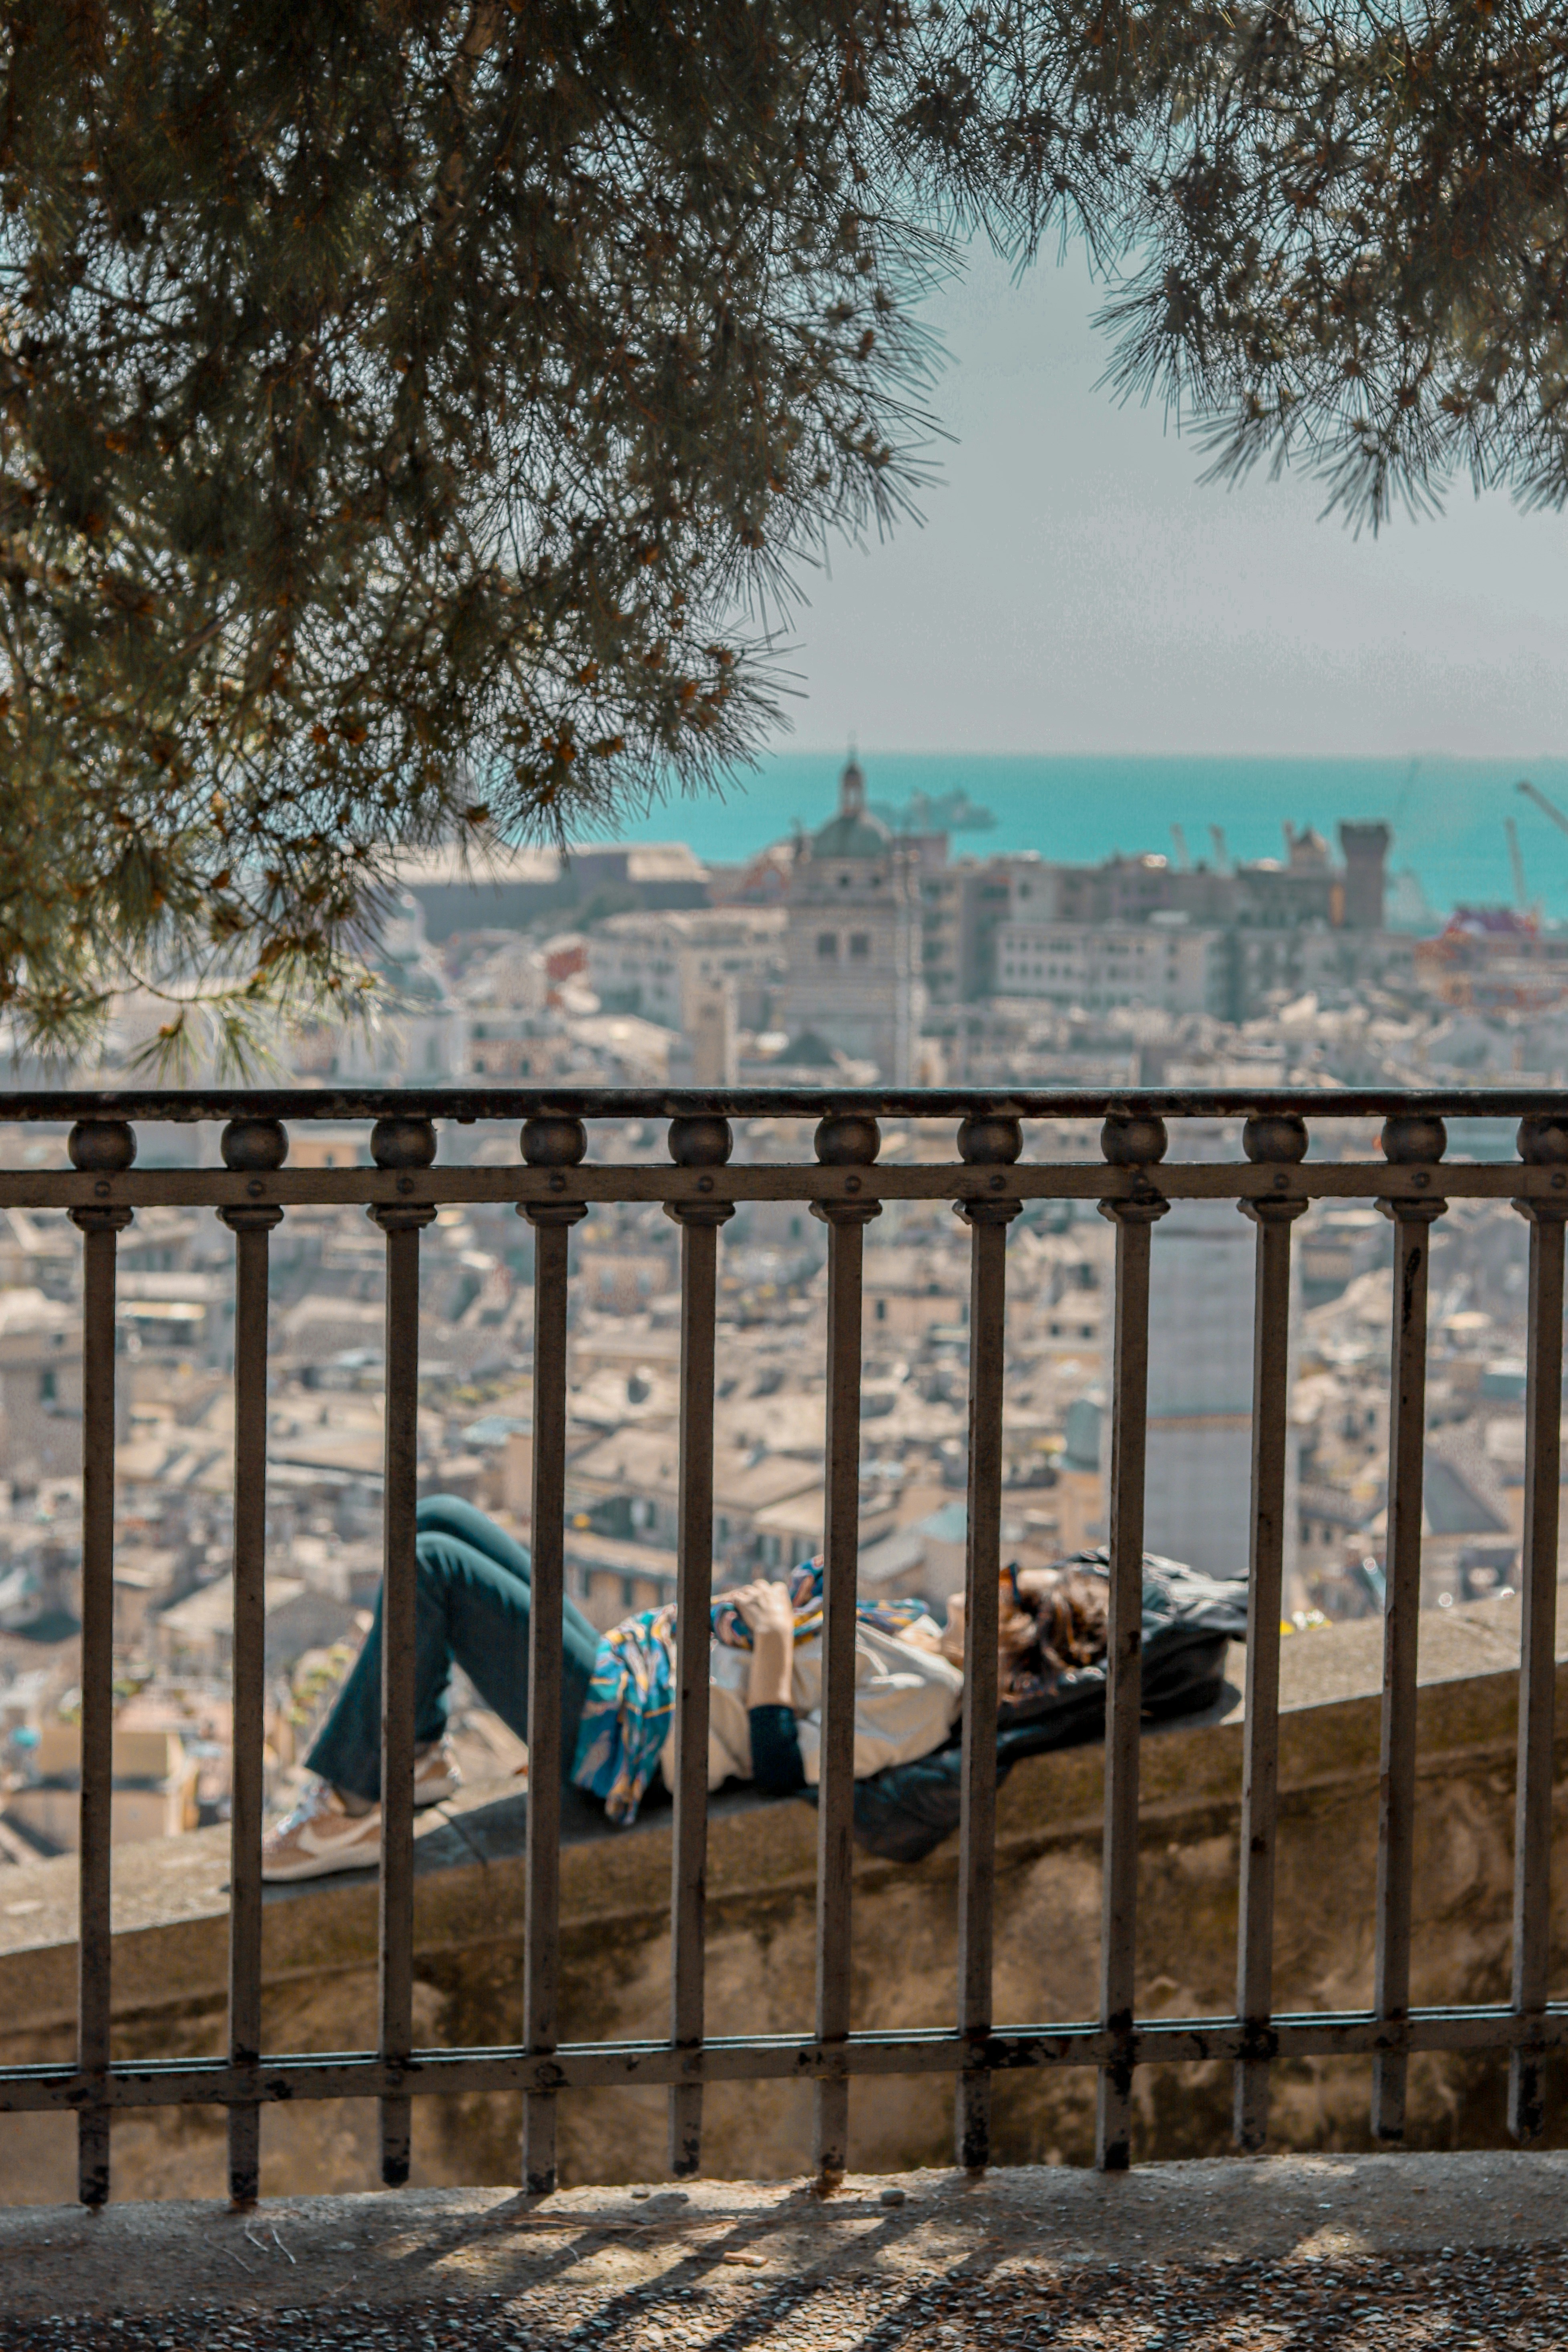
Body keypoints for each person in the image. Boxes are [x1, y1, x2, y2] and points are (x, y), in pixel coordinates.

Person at [260, 1496, 973, 1881]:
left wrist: (778, 1638)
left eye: (1017, 1594)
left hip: (640, 1739)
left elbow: (785, 1767)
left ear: (1019, 1659)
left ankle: (350, 1808)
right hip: (641, 1676)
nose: (997, 1578)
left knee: (432, 1565)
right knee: (441, 1517)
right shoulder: (915, 1626)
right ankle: (416, 1754)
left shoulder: (929, 1694)